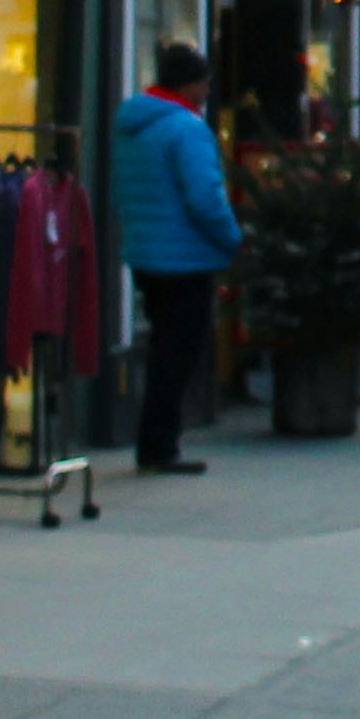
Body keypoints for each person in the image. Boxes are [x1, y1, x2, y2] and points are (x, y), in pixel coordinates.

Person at [111, 43, 244, 475]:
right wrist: (233, 240)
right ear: (190, 85)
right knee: (180, 353)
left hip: (147, 254)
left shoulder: (134, 125)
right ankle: (159, 445)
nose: (208, 91)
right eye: (204, 82)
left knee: (163, 348)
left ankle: (155, 441)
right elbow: (205, 198)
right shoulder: (186, 129)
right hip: (186, 258)